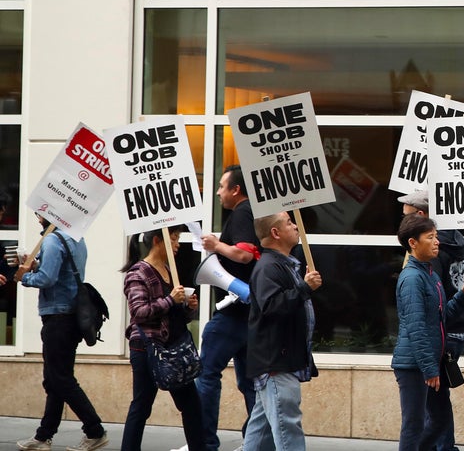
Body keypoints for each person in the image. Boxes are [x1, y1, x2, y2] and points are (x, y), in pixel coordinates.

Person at [14, 215, 108, 451]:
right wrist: (36, 265)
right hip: (71, 317)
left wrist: (24, 277)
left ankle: (95, 431)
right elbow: (62, 271)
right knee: (54, 379)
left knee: (61, 379)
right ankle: (43, 436)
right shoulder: (76, 238)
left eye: (39, 213)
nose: (37, 218)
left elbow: (47, 278)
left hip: (58, 317)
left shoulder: (52, 240)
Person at [392, 214, 464, 451]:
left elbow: (440, 317)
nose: (437, 241)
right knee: (414, 425)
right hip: (413, 366)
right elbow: (416, 327)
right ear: (413, 242)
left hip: (431, 363)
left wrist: (463, 295)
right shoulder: (411, 278)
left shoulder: (430, 274)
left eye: (436, 236)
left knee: (439, 420)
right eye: (430, 237)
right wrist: (429, 369)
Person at [241, 211, 323, 451]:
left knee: (260, 433)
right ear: (275, 233)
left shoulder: (282, 265)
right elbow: (272, 307)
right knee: (288, 432)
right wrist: (305, 288)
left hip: (279, 360)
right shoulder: (268, 267)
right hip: (276, 362)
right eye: (289, 222)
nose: (295, 226)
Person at [195, 165, 261, 451]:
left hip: (234, 314)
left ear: (236, 190)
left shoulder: (243, 212)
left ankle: (205, 442)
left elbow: (245, 254)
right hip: (250, 315)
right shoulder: (252, 212)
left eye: (222, 186)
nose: (219, 191)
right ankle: (255, 441)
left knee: (206, 374)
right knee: (250, 384)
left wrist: (216, 245)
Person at [120, 225, 205, 451]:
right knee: (142, 405)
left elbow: (174, 316)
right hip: (148, 349)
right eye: (174, 239)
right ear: (158, 240)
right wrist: (170, 300)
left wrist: (188, 307)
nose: (178, 244)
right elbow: (139, 312)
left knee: (191, 406)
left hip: (173, 349)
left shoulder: (169, 269)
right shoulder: (138, 273)